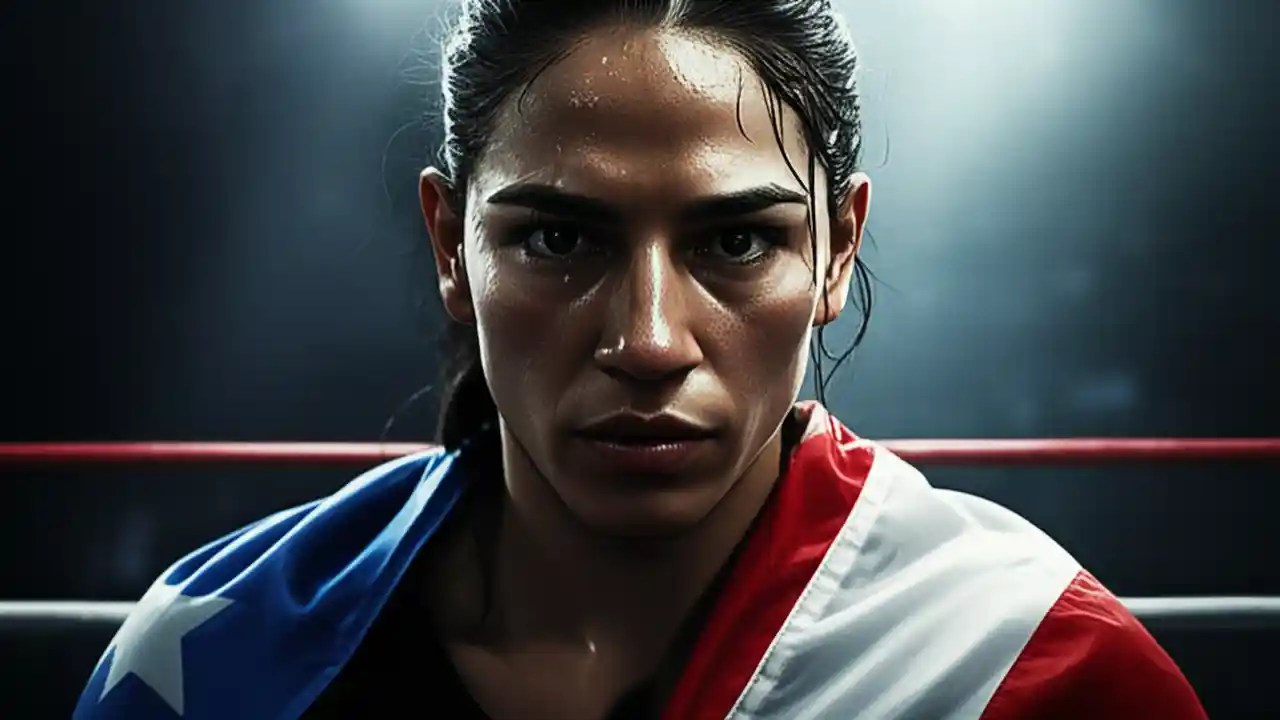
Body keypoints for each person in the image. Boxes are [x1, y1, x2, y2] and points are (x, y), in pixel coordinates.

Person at [75, 1, 1207, 718]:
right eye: (557, 238)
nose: (648, 342)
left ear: (837, 250)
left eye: (735, 240)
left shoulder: (1029, 672)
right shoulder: (213, 654)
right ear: (448, 246)